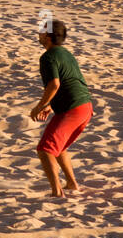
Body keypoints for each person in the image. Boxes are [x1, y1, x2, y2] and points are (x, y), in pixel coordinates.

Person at [30, 20, 94, 198]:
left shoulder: (48, 57)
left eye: (42, 32)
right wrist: (51, 105)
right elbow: (72, 80)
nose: (39, 34)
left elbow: (54, 84)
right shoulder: (66, 53)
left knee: (45, 149)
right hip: (85, 107)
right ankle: (72, 184)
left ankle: (57, 192)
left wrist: (40, 106)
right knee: (59, 146)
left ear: (48, 37)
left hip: (73, 108)